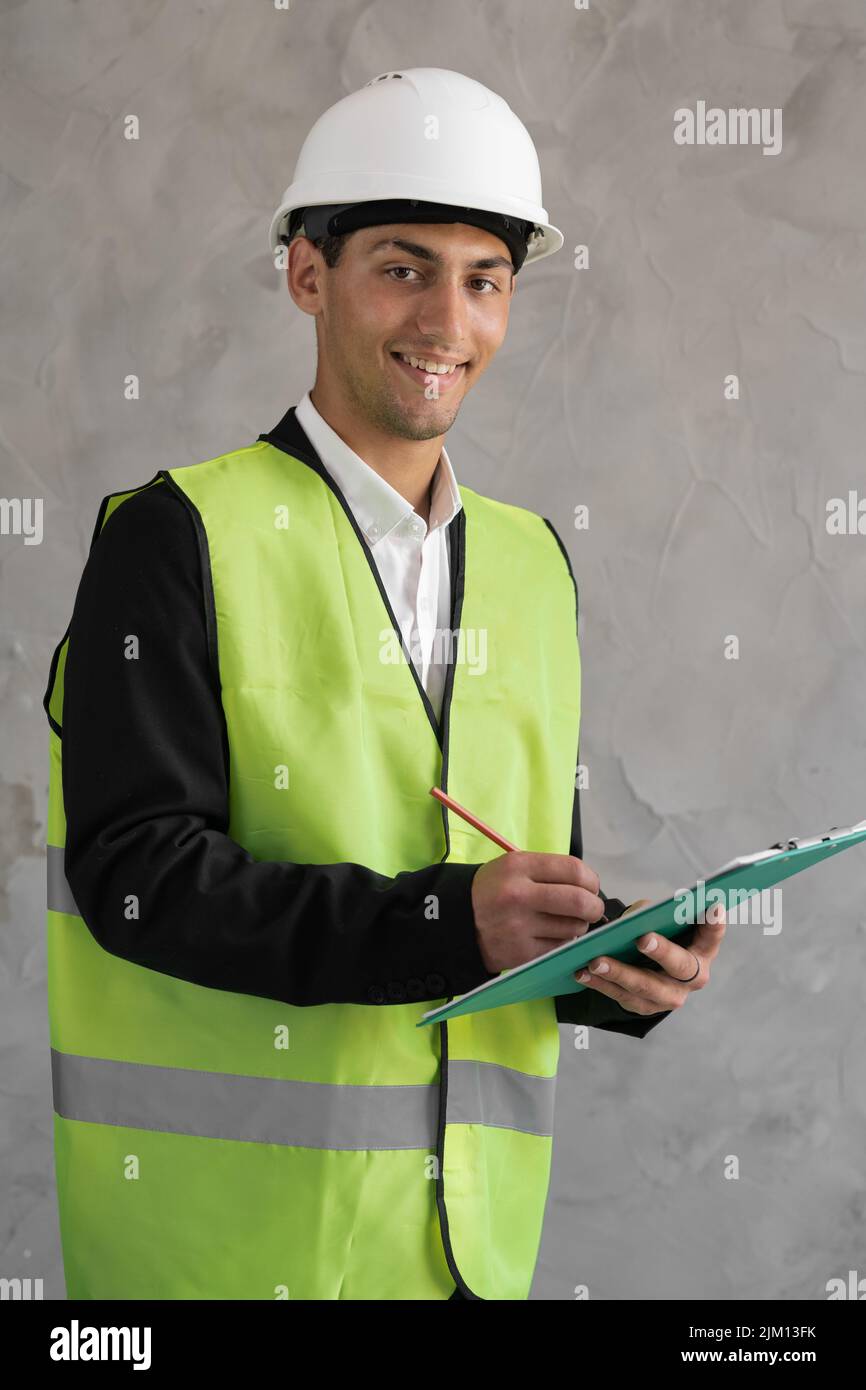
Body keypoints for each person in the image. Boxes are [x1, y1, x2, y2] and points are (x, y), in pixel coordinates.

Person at [43, 67, 725, 1301]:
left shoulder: (529, 564)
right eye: (402, 269)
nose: (445, 324)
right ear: (308, 274)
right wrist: (443, 920)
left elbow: (498, 885)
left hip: (463, 1253)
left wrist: (615, 966)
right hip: (228, 1255)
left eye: (484, 280)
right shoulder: (176, 533)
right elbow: (134, 875)